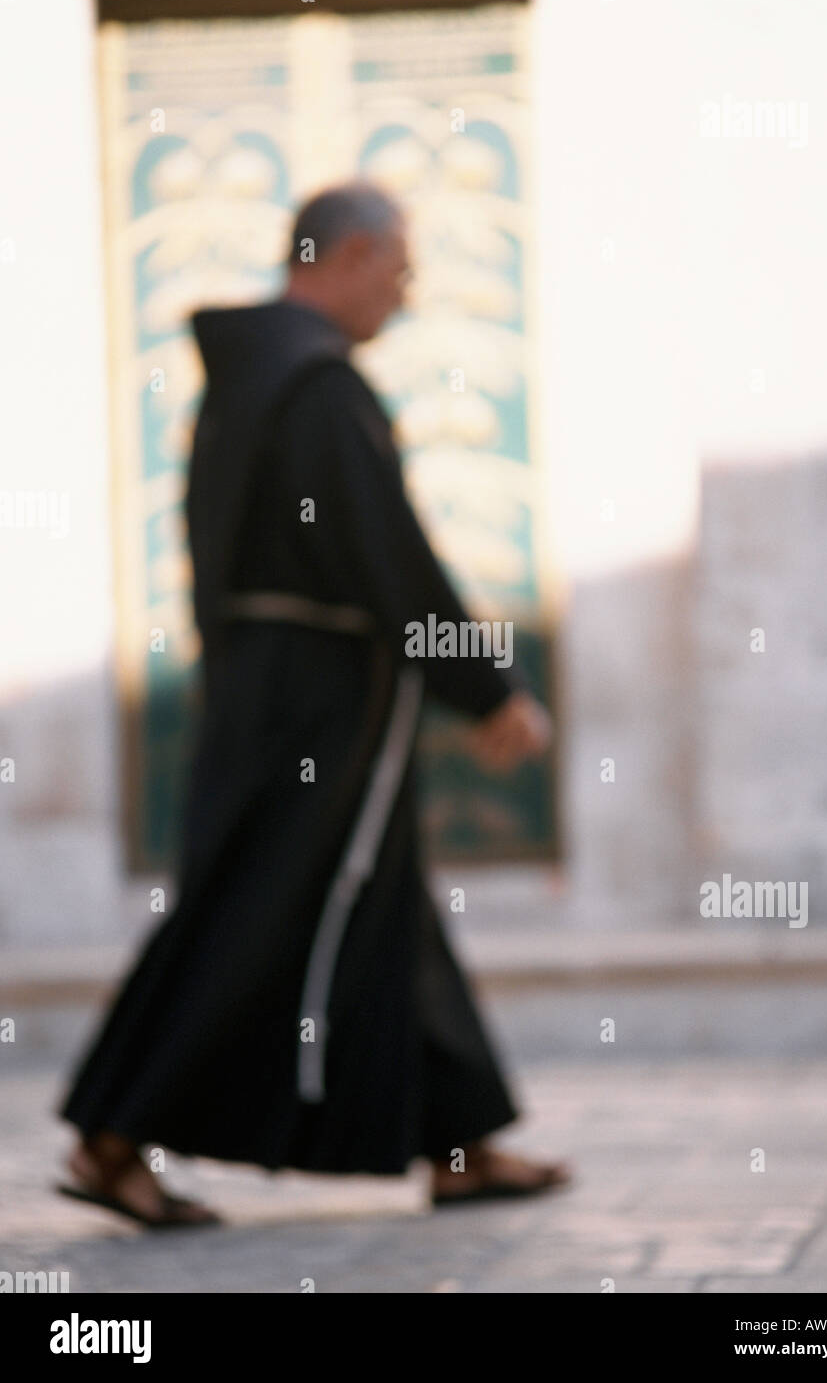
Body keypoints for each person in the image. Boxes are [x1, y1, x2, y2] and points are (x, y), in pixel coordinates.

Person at [55, 180, 570, 1227]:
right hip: (316, 700)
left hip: (274, 683)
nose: (405, 296)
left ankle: (463, 1139)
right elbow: (387, 555)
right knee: (255, 907)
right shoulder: (318, 387)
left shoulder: (254, 377)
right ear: (350, 256)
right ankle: (112, 1137)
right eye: (400, 270)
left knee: (375, 892)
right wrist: (481, 682)